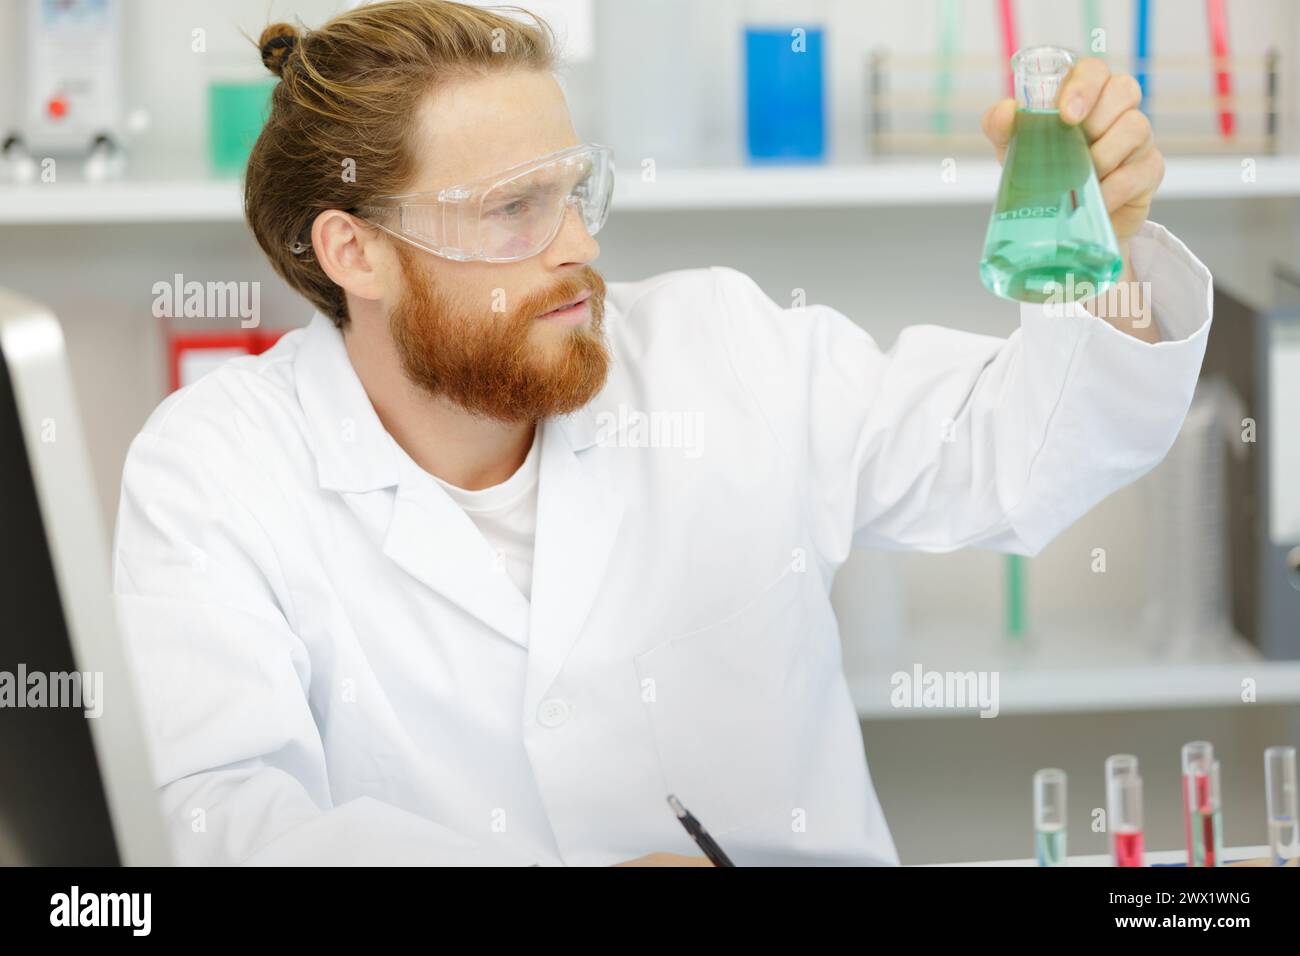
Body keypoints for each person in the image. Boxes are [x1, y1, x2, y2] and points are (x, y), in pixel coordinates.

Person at [113, 0, 1211, 866]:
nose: (577, 245)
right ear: (355, 252)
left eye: (575, 189)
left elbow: (1021, 461)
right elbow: (218, 818)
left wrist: (1103, 255)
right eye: (512, 208)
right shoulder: (215, 466)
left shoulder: (719, 349)